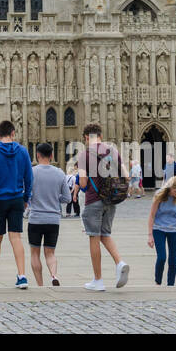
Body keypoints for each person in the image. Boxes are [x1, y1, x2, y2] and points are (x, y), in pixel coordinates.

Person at [76, 122, 130, 292]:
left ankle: (98, 280)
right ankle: (119, 262)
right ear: (100, 135)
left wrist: (82, 181)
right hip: (111, 199)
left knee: (94, 236)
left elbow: (83, 182)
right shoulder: (113, 151)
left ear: (86, 137)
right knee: (105, 234)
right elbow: (126, 176)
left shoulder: (84, 154)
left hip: (94, 199)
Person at [0, 119, 32, 289]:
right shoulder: (23, 151)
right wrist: (26, 198)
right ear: (13, 133)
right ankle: (22, 276)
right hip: (17, 197)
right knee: (16, 237)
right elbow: (29, 177)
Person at [26, 143, 68, 287]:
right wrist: (55, 198)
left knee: (35, 253)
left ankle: (40, 285)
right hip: (53, 219)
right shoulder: (60, 173)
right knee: (50, 253)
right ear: (52, 155)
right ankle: (54, 275)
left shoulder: (31, 172)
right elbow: (67, 198)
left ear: (37, 155)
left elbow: (27, 194)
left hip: (36, 218)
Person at [147, 175, 176, 286]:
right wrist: (150, 235)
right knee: (162, 257)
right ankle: (158, 281)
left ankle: (171, 285)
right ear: (170, 188)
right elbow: (152, 215)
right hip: (159, 229)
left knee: (173, 261)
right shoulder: (159, 195)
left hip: (175, 230)